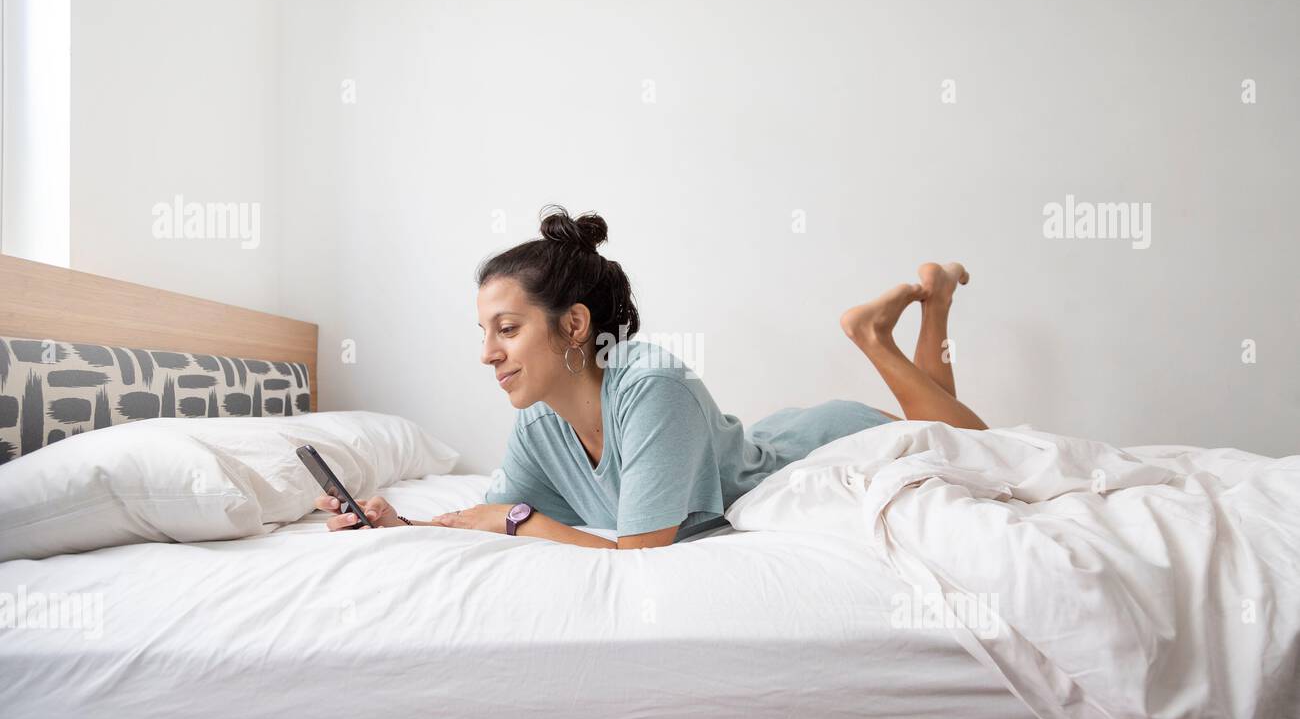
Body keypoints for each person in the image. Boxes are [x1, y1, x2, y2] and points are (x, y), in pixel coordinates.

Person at [316, 204, 987, 548]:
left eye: (508, 328)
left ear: (574, 327)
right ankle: (938, 303)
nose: (487, 353)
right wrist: (399, 525)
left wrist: (519, 519)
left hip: (823, 448)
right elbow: (484, 519)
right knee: (944, 426)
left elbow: (637, 548)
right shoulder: (540, 421)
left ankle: (873, 336)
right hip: (763, 439)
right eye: (484, 332)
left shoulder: (651, 386)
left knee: (978, 446)